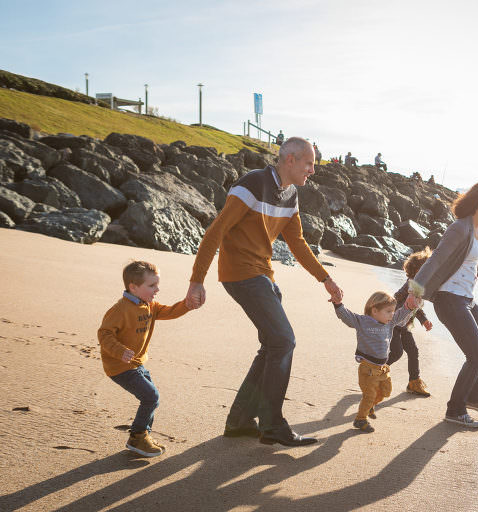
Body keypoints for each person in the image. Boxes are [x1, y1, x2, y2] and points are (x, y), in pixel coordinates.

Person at [186, 137, 343, 447]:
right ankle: (272, 424)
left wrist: (325, 277)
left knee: (272, 345)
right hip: (241, 273)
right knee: (284, 341)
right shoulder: (253, 184)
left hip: (263, 274)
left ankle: (240, 420)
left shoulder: (290, 194)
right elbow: (217, 229)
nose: (313, 169)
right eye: (309, 163)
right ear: (290, 161)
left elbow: (297, 242)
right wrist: (197, 280)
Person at [406, 181, 478, 428]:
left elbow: (477, 263)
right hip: (448, 298)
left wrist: (473, 281)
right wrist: (415, 291)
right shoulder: (459, 228)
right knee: (476, 355)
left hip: (466, 299)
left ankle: (473, 396)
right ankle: (455, 410)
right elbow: (436, 259)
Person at [97, 261, 190, 457]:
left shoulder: (149, 305)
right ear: (133, 287)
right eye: (152, 286)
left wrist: (187, 305)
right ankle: (138, 437)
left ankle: (143, 436)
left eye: (157, 284)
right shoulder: (120, 309)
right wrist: (119, 351)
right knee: (150, 397)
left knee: (151, 399)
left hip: (137, 363)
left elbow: (170, 312)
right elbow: (104, 334)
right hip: (120, 366)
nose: (157, 289)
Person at [332, 291, 417, 432]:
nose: (391, 315)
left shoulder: (389, 323)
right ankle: (360, 419)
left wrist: (408, 306)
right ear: (375, 310)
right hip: (368, 369)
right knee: (369, 395)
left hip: (382, 368)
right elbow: (346, 316)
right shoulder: (363, 322)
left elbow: (401, 315)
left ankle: (371, 405)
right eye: (388, 311)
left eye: (392, 311)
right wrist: (338, 304)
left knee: (385, 391)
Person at [388, 248, 433, 396]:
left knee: (413, 351)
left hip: (405, 327)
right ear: (415, 270)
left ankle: (414, 382)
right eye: (425, 268)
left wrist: (424, 320)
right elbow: (396, 297)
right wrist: (391, 310)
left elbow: (416, 307)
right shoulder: (411, 284)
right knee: (396, 352)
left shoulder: (419, 286)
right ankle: (375, 370)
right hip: (394, 324)